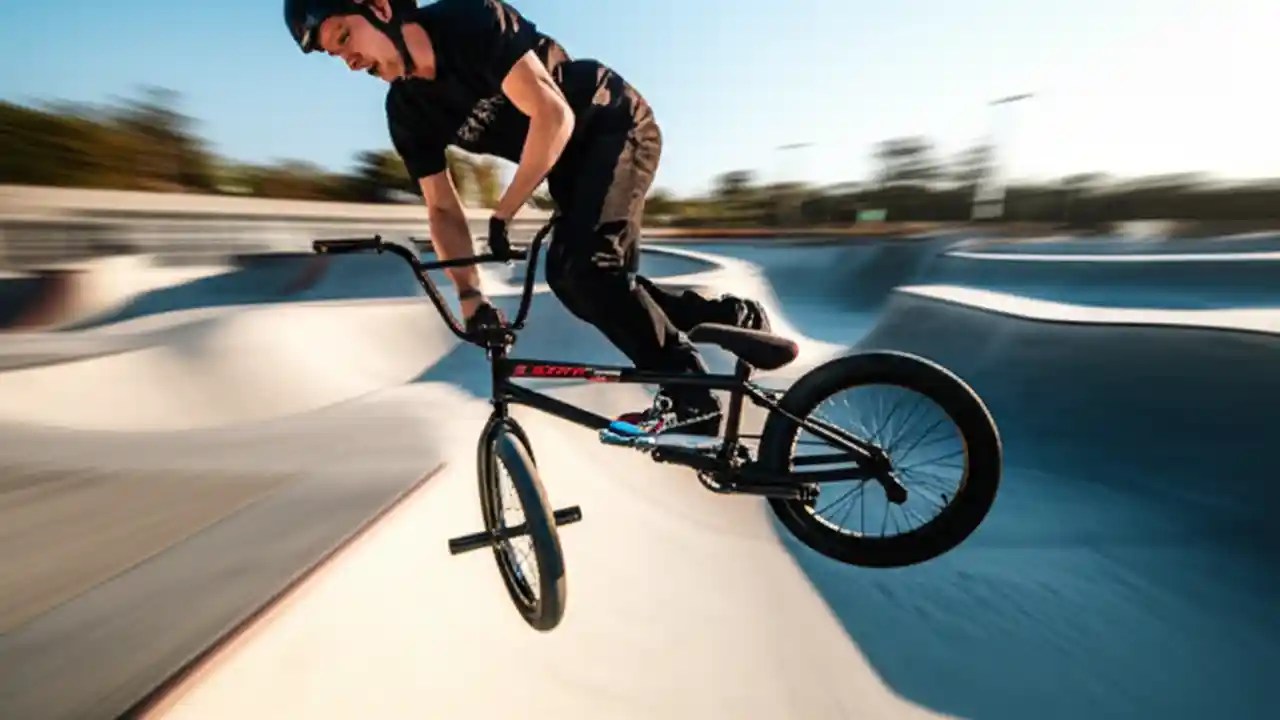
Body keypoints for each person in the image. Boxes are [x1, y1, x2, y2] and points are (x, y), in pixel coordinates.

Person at [284, 0, 771, 435]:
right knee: (576, 278)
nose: (348, 62)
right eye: (335, 54)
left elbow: (553, 115)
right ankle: (727, 317)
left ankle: (691, 393)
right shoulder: (407, 110)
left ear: (381, 9)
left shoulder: (471, 22)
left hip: (612, 123)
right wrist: (470, 296)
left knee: (587, 267)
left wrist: (503, 213)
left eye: (344, 37)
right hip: (571, 167)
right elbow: (441, 206)